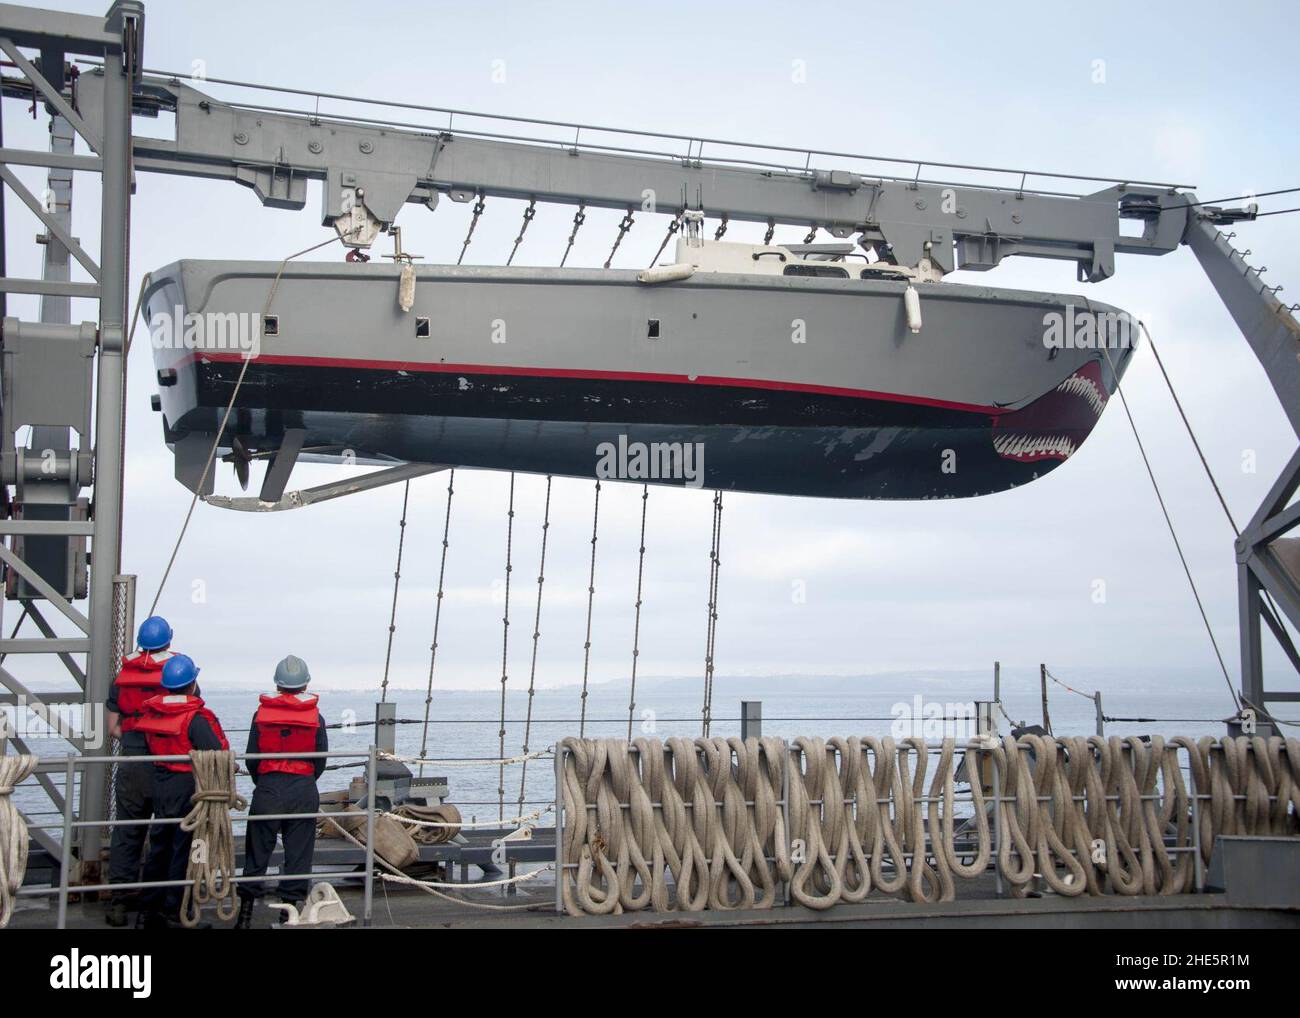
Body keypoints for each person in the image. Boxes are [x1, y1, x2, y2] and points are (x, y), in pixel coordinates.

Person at [133, 654, 229, 929]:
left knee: (158, 848)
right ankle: (176, 911)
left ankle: (148, 910)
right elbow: (217, 754)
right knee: (184, 851)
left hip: (161, 786)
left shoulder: (153, 713)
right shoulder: (195, 719)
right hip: (189, 788)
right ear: (192, 685)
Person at [235, 655, 327, 929]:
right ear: (305, 684)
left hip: (269, 789)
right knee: (298, 855)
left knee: (257, 853)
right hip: (302, 789)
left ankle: (245, 916)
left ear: (277, 686)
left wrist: (264, 782)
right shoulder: (316, 717)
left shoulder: (260, 716)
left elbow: (252, 758)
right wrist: (305, 781)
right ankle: (289, 916)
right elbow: (320, 760)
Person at [103, 615, 175, 927]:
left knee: (127, 830)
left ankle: (119, 903)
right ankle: (156, 902)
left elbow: (112, 728)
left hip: (132, 761)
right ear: (168, 642)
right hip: (166, 763)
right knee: (166, 832)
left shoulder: (122, 676)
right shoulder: (176, 673)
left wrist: (134, 739)